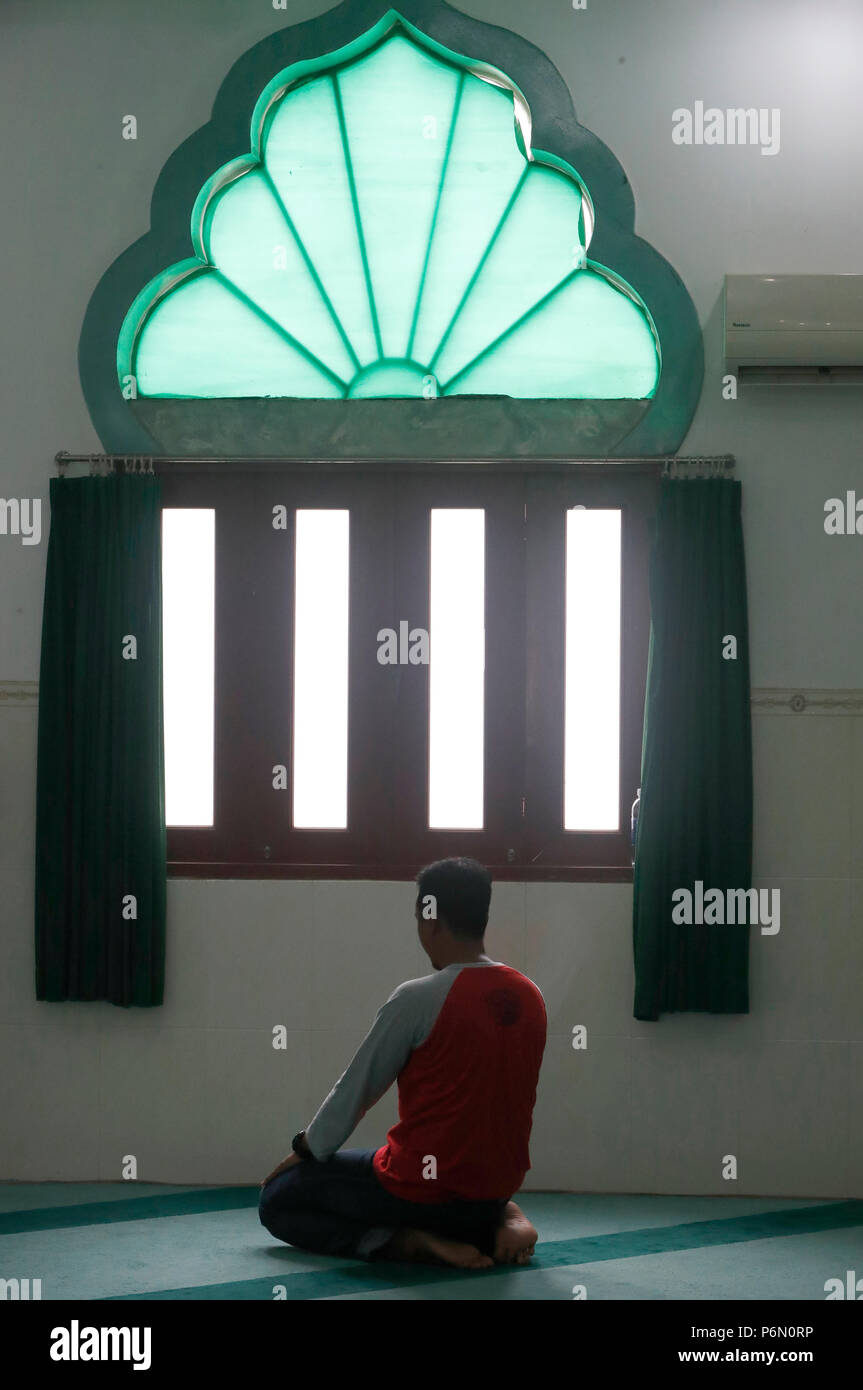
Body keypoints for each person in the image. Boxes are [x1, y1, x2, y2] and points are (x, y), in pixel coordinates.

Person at [259, 857, 547, 1269]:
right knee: (450, 1186)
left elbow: (355, 1090)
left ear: (430, 920)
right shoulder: (530, 997)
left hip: (420, 1190)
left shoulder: (417, 998)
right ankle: (501, 1218)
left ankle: (405, 1242)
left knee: (276, 1201)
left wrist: (306, 1149)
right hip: (492, 1188)